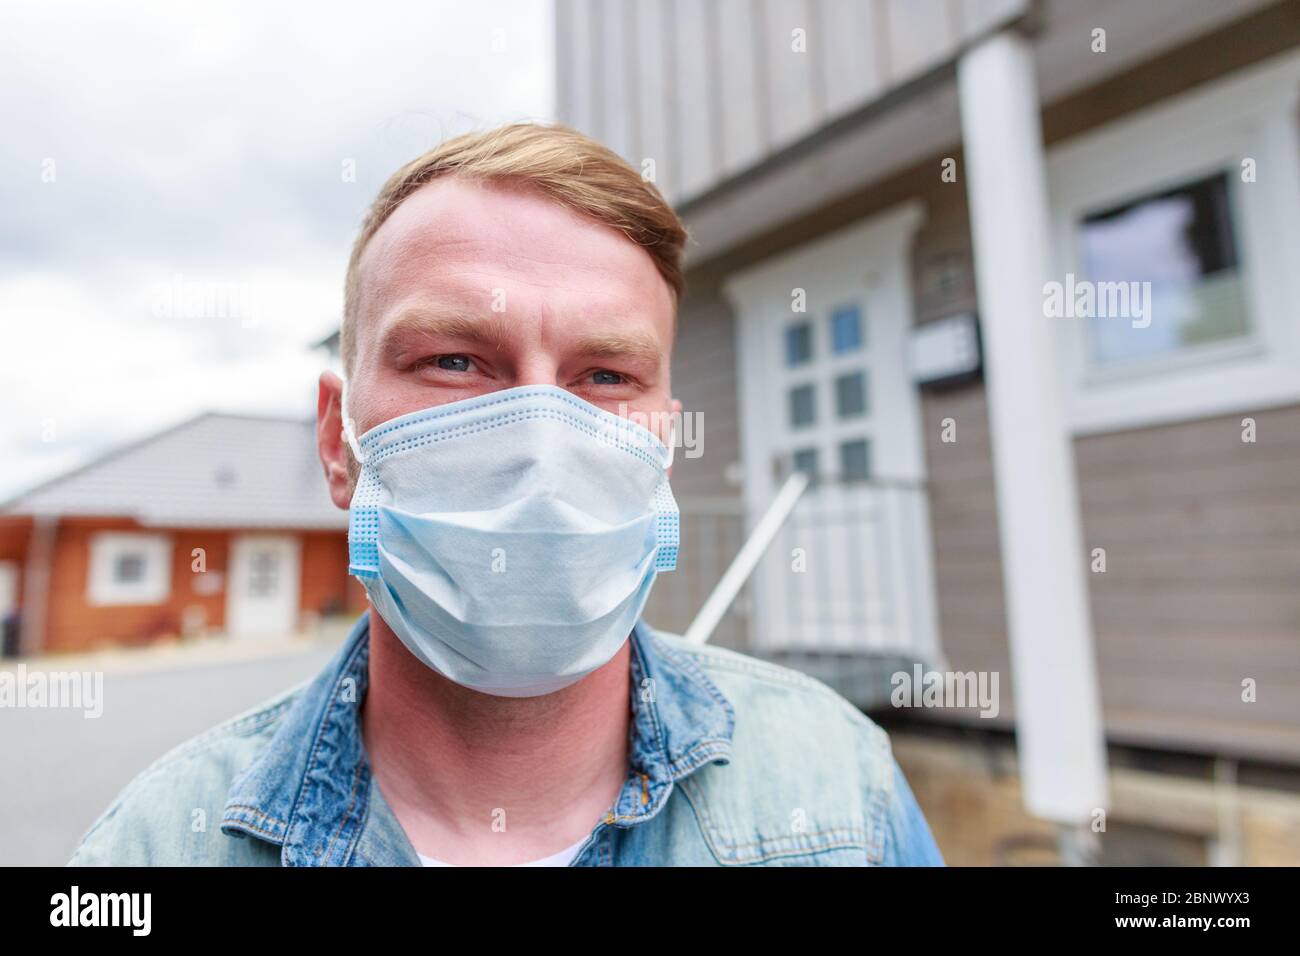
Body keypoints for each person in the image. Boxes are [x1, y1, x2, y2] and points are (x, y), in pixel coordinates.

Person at [69, 123, 943, 866]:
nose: (539, 441)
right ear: (339, 443)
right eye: (453, 361)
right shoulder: (156, 847)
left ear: (664, 446)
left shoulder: (838, 794)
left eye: (605, 374)